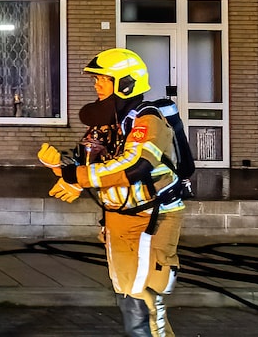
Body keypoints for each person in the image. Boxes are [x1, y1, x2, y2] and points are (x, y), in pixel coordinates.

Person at [38, 48, 187, 337]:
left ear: (126, 83)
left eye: (103, 79)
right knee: (126, 290)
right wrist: (63, 169)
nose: (96, 85)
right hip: (118, 218)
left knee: (144, 292)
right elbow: (93, 163)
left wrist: (77, 176)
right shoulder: (107, 124)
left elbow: (135, 166)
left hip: (151, 219)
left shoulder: (148, 120)